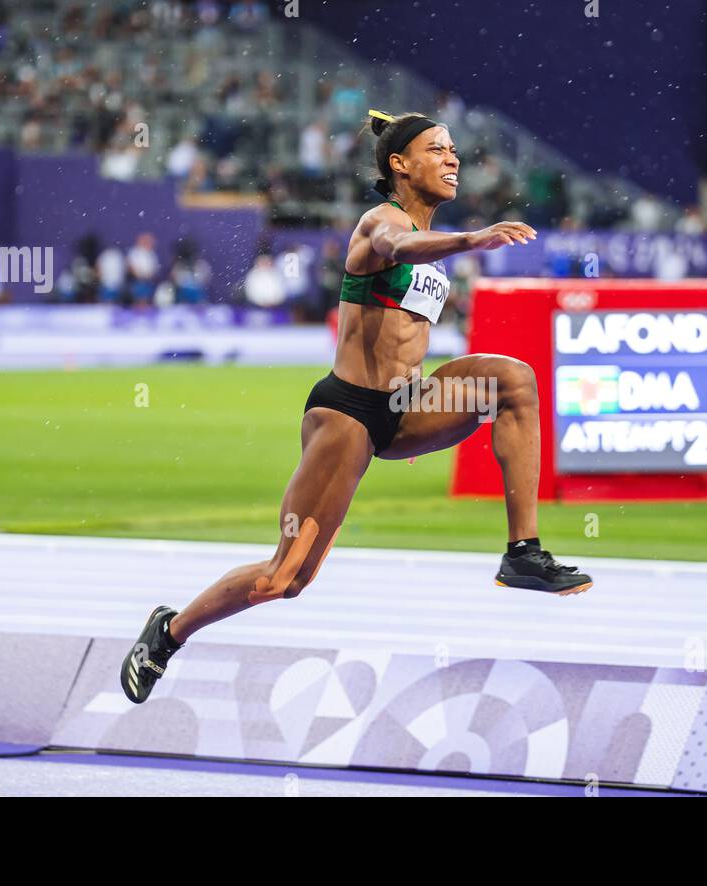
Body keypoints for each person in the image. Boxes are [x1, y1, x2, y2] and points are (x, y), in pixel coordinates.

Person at [121, 110, 593, 704]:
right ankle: (168, 633)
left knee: (513, 381)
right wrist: (472, 239)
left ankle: (523, 554)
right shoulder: (380, 224)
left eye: (454, 151)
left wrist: (432, 417)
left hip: (407, 402)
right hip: (348, 413)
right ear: (399, 164)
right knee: (283, 579)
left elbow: (406, 331)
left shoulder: (426, 239)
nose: (453, 159)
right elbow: (402, 247)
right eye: (437, 149)